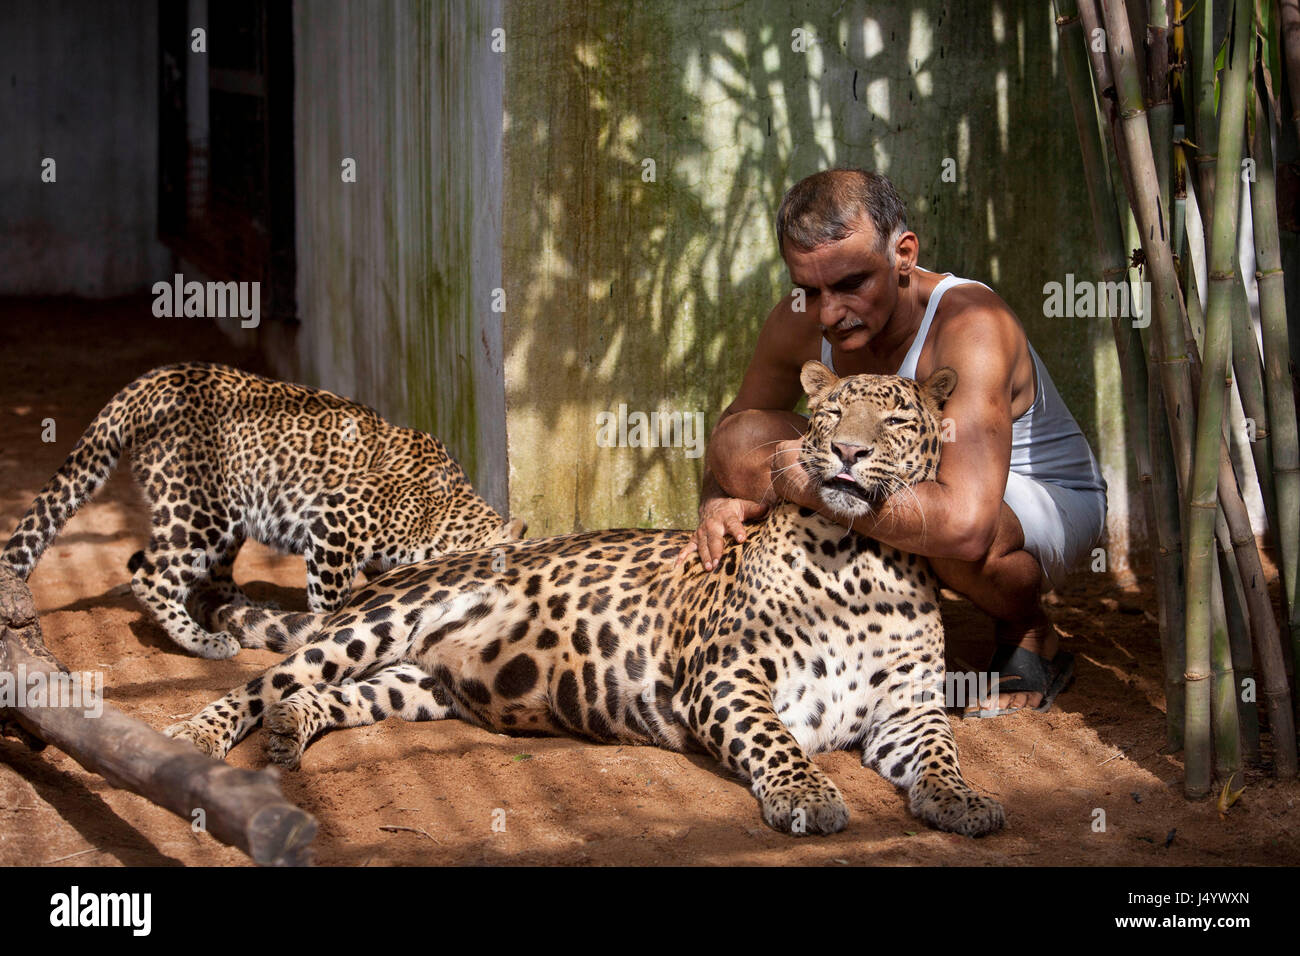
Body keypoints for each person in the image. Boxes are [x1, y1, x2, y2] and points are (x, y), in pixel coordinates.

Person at [681, 168, 1107, 716]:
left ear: (903, 254)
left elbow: (967, 524)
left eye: (852, 283)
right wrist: (719, 495)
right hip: (897, 471)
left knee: (947, 541)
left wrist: (794, 478)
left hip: (1031, 493)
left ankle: (1028, 630)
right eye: (809, 290)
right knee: (745, 441)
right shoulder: (799, 320)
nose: (830, 312)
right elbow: (734, 431)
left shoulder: (971, 323)